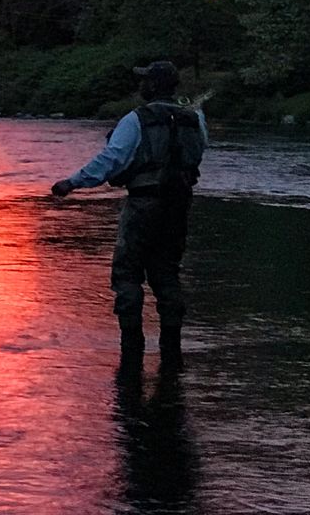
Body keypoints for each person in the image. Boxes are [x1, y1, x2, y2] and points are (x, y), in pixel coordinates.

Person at [50, 61, 207, 365]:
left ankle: (131, 350)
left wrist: (72, 183)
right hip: (178, 206)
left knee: (127, 274)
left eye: (145, 80)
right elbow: (197, 155)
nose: (140, 85)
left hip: (143, 205)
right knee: (167, 273)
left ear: (153, 86)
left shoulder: (135, 119)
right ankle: (171, 350)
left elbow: (112, 159)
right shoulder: (195, 119)